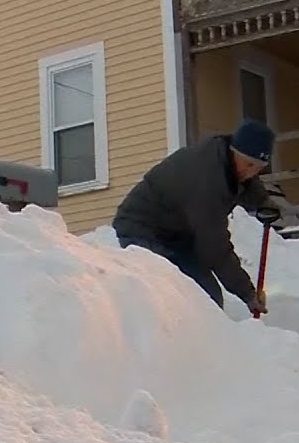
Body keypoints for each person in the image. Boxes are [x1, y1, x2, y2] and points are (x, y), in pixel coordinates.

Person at [112, 119, 284, 317]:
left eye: (258, 167)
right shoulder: (207, 179)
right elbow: (213, 247)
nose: (251, 172)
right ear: (234, 151)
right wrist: (247, 293)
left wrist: (264, 203)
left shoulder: (225, 159)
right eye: (249, 164)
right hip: (142, 230)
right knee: (180, 298)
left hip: (178, 235)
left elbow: (245, 183)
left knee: (208, 299)